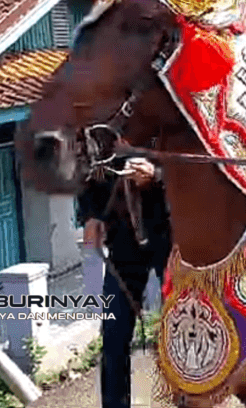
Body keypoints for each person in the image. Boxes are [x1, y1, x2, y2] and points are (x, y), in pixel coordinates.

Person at [79, 156, 171, 408]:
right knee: (113, 336)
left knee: (184, 333)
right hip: (122, 246)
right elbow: (86, 169)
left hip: (172, 242)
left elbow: (195, 170)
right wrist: (91, 215)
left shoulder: (166, 121)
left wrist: (157, 176)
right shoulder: (102, 126)